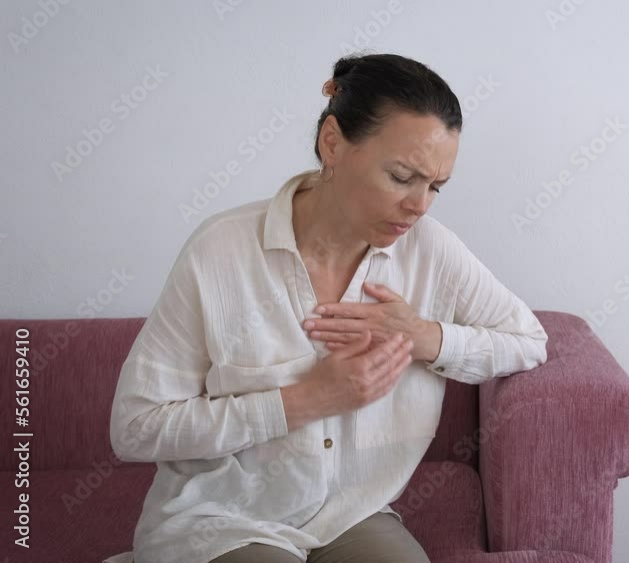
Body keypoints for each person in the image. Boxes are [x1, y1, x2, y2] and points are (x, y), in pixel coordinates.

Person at [106, 53, 549, 563]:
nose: (420, 205)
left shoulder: (431, 250)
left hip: (350, 515)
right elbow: (135, 427)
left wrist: (424, 336)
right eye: (403, 177)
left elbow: (528, 341)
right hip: (220, 520)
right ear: (333, 143)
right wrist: (307, 400)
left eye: (436, 187)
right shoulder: (220, 250)